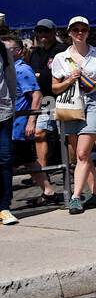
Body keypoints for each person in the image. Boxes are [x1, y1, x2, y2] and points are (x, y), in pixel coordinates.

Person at [49, 16, 96, 215]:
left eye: (83, 29)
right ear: (69, 32)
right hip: (72, 105)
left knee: (82, 154)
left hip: (94, 102)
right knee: (81, 155)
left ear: (88, 32)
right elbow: (54, 87)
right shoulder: (61, 58)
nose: (79, 32)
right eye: (75, 29)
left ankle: (76, 197)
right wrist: (69, 79)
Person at [4, 36, 54, 216]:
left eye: (7, 49)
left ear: (18, 51)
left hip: (19, 125)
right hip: (11, 124)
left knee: (11, 162)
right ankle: (48, 190)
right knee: (27, 159)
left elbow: (37, 95)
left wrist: (31, 121)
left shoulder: (22, 70)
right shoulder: (8, 69)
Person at [27, 19, 68, 198]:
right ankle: (43, 171)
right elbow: (37, 74)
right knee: (39, 132)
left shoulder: (62, 50)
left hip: (63, 97)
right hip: (47, 98)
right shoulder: (35, 53)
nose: (42, 36)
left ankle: (71, 167)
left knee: (65, 134)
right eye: (39, 32)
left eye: (46, 32)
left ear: (53, 32)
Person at [0, 32, 17, 225]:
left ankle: (4, 207)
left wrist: (11, 105)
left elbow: (11, 78)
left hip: (2, 112)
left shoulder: (3, 50)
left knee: (4, 159)